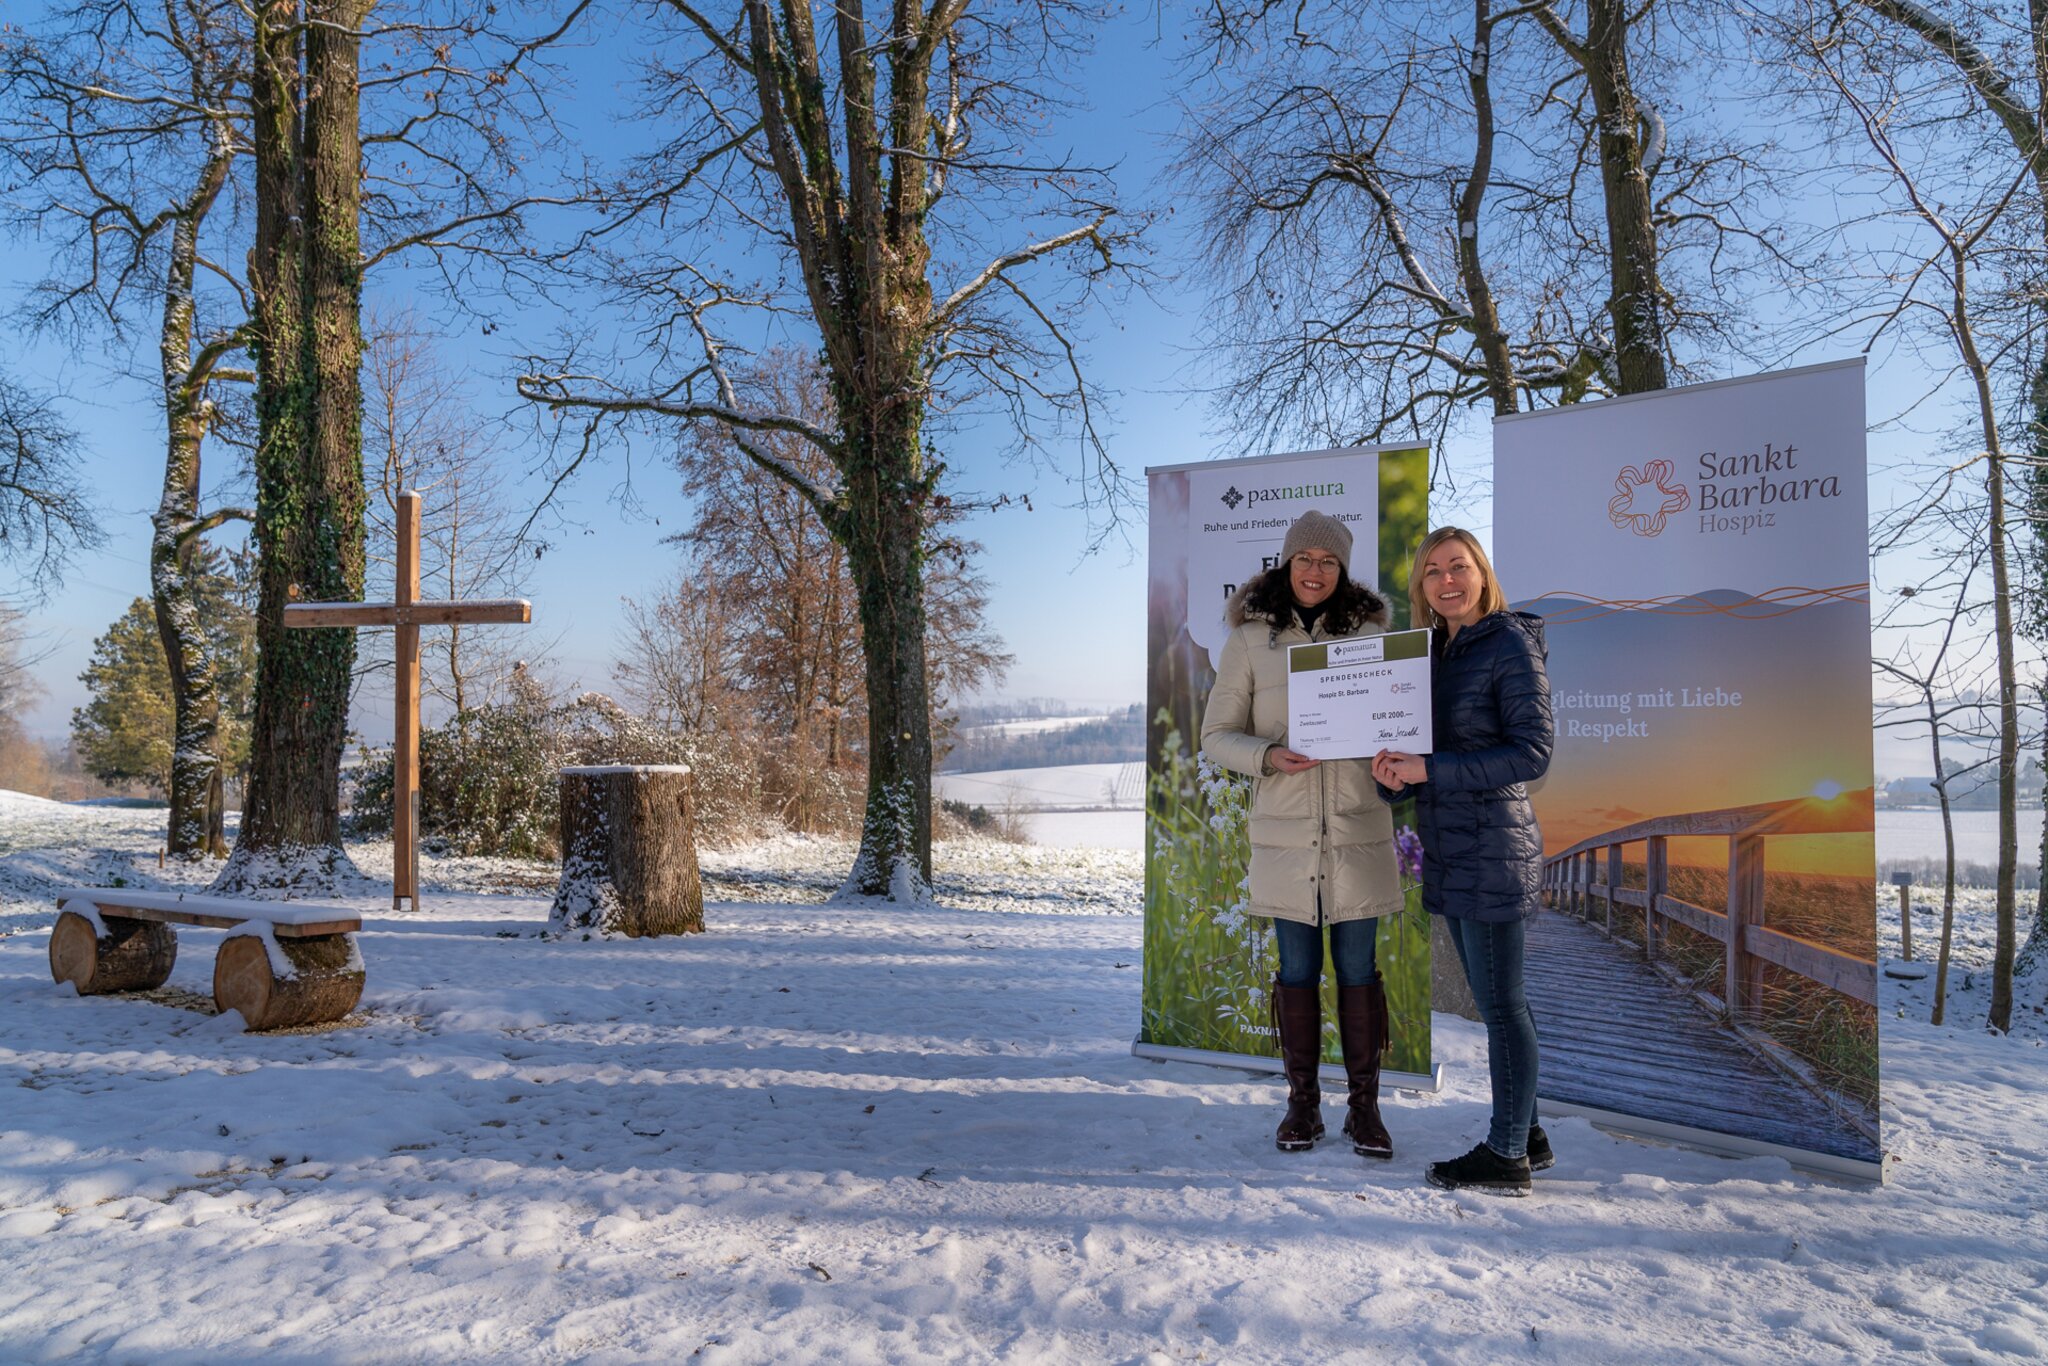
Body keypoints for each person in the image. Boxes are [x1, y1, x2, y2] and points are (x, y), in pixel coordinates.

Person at [1201, 510, 1406, 1158]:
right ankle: (1302, 1106)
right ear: (1285, 564)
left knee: (1356, 970)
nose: (1315, 571)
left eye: (1328, 561)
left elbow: (1397, 718)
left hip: (1357, 830)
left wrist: (1396, 746)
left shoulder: (1374, 633)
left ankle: (1364, 1110)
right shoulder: (1249, 641)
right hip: (1286, 836)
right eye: (1304, 559)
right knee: (1296, 970)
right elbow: (1215, 738)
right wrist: (1267, 755)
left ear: (1342, 569)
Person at [1373, 526, 1554, 1196]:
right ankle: (1528, 1133)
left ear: (1483, 573)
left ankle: (1506, 1156)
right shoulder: (1433, 655)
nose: (1447, 580)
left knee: (1501, 1006)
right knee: (1500, 1001)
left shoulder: (1507, 641)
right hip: (1452, 845)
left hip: (1494, 846)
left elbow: (1532, 754)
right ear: (1421, 587)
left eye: (1460, 567)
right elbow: (1425, 755)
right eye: (1432, 572)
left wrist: (1430, 766)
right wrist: (1395, 771)